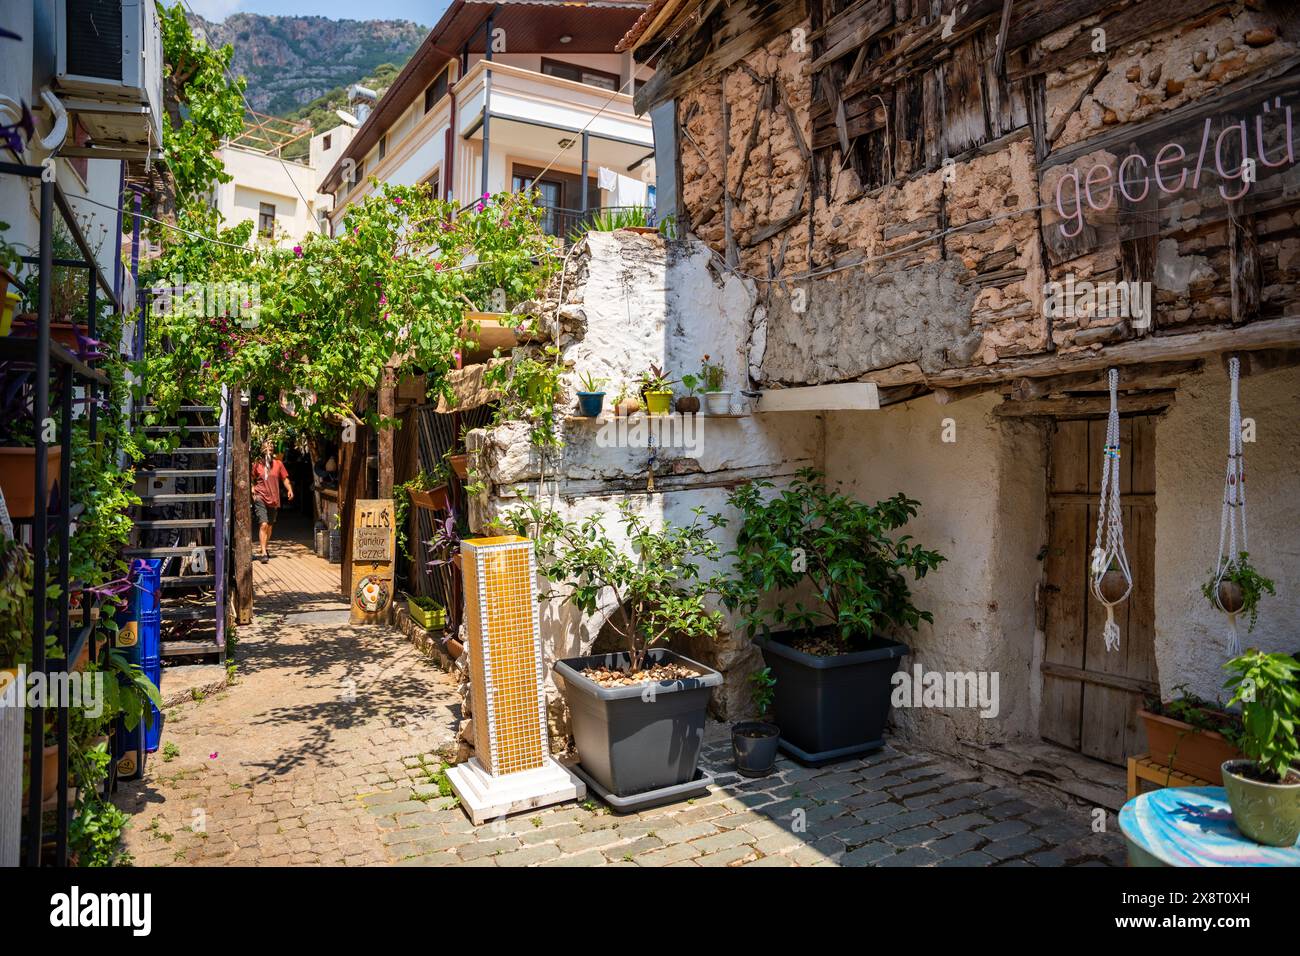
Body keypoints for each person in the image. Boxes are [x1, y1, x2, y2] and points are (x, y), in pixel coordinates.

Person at [252, 439, 293, 563]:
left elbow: (285, 478)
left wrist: (289, 489)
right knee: (263, 524)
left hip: (274, 498)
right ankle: (264, 552)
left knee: (269, 526)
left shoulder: (278, 464)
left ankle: (265, 546)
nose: (269, 450)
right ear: (262, 450)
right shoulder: (257, 464)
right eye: (266, 448)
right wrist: (252, 489)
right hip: (260, 497)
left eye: (271, 448)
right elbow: (250, 477)